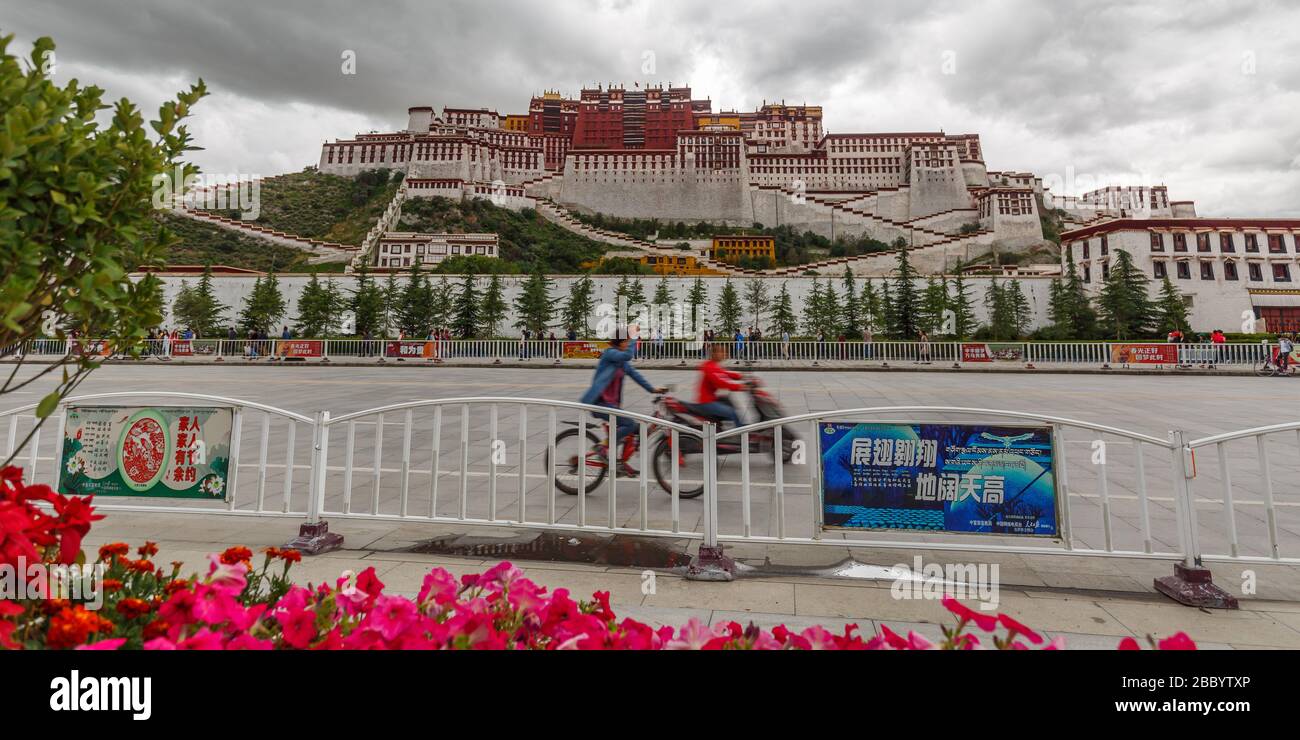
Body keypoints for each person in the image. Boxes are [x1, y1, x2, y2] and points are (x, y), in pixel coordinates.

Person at [579, 331, 666, 475]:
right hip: (600, 404)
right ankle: (602, 447)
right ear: (619, 343)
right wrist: (633, 337)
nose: (628, 345)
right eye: (625, 342)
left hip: (612, 405)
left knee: (633, 429)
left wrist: (653, 389)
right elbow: (627, 355)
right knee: (629, 424)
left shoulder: (622, 363)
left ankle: (622, 462)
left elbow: (636, 375)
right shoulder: (610, 354)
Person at [692, 342, 745, 429]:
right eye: (722, 352)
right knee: (731, 412)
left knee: (728, 401)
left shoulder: (713, 365)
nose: (725, 354)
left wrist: (740, 376)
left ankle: (723, 425)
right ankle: (741, 432)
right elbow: (720, 382)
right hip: (707, 402)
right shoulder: (710, 367)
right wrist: (740, 387)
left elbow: (724, 373)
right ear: (714, 354)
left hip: (711, 398)